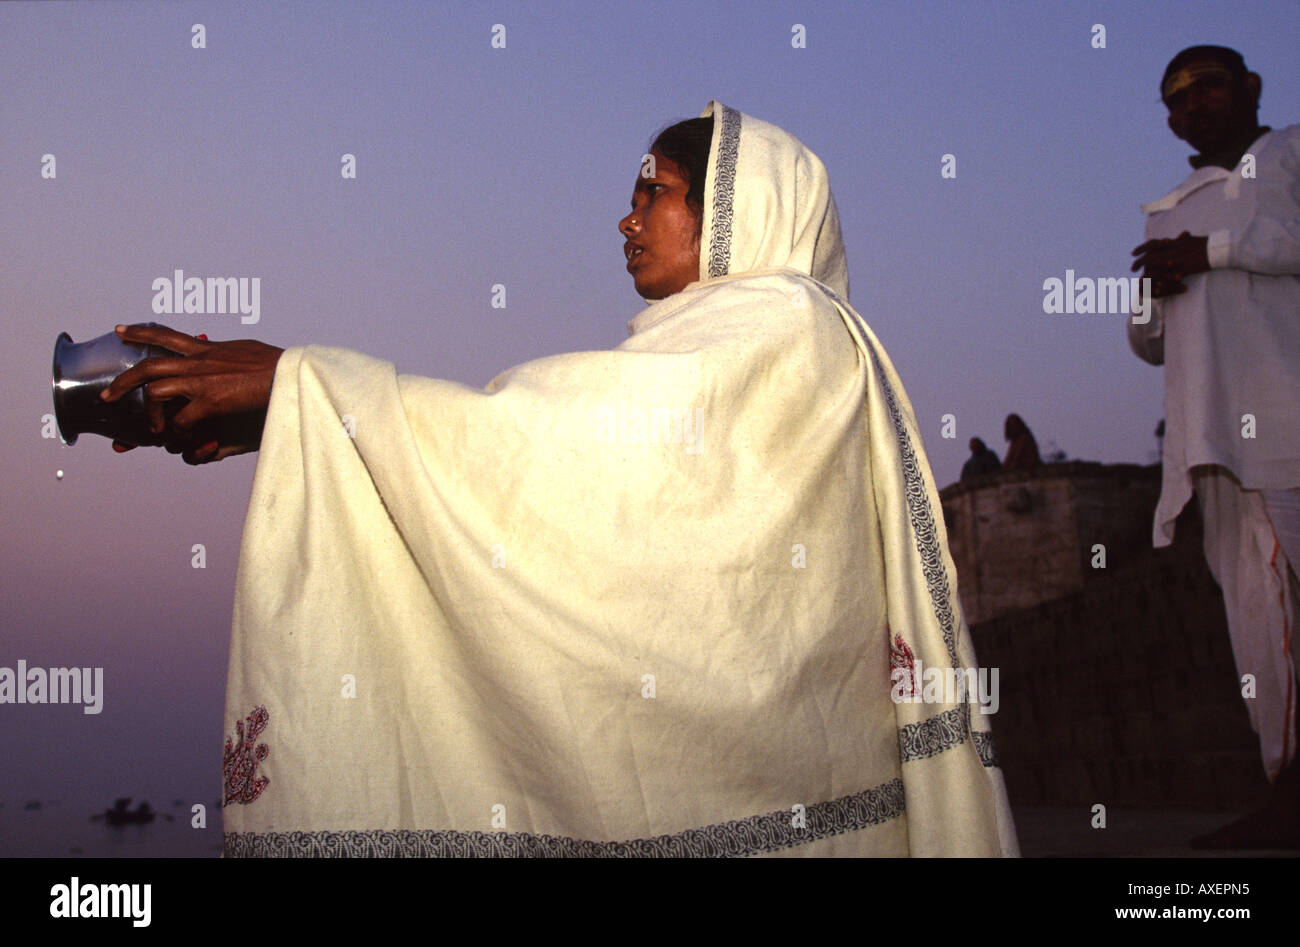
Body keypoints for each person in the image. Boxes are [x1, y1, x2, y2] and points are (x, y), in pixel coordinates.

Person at [100, 101, 1017, 857]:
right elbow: (597, 497)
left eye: (653, 193)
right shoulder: (759, 342)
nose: (627, 219)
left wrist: (302, 387)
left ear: (738, 210)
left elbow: (544, 457)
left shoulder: (782, 326)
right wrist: (296, 417)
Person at [1128, 46, 1300, 847]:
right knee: (1257, 626)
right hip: (1214, 444)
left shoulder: (1292, 154)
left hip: (1291, 422)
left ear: (1250, 89)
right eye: (1179, 98)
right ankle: (1285, 787)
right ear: (1168, 119)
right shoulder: (1167, 207)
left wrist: (1213, 253)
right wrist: (1156, 293)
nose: (1195, 104)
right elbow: (1146, 343)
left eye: (1210, 87)